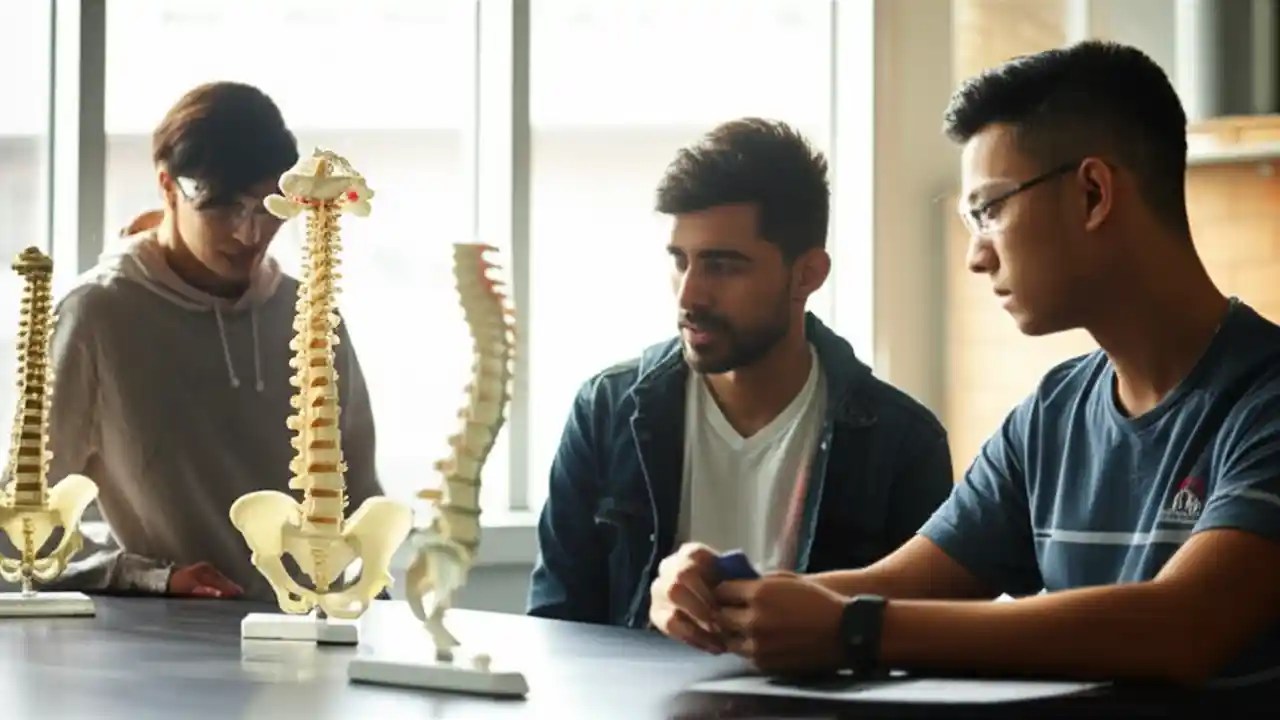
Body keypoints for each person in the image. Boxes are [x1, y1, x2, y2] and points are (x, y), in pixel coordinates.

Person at [650, 41, 1280, 688]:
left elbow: (1181, 627)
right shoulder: (1051, 417)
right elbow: (899, 585)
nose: (976, 256)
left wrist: (854, 630)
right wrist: (722, 597)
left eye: (990, 211)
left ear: (1093, 193)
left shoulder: (1266, 400)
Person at [528, 118, 954, 628]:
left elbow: (924, 652)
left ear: (807, 275)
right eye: (680, 261)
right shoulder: (606, 412)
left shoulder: (901, 442)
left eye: (722, 265)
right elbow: (556, 627)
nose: (689, 296)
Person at [41, 82, 384, 600]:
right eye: (223, 208)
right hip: (170, 648)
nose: (249, 233)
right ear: (166, 186)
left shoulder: (310, 311)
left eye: (269, 208)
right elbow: (24, 528)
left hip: (317, 644)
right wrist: (146, 577)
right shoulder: (97, 316)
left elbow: (358, 496)